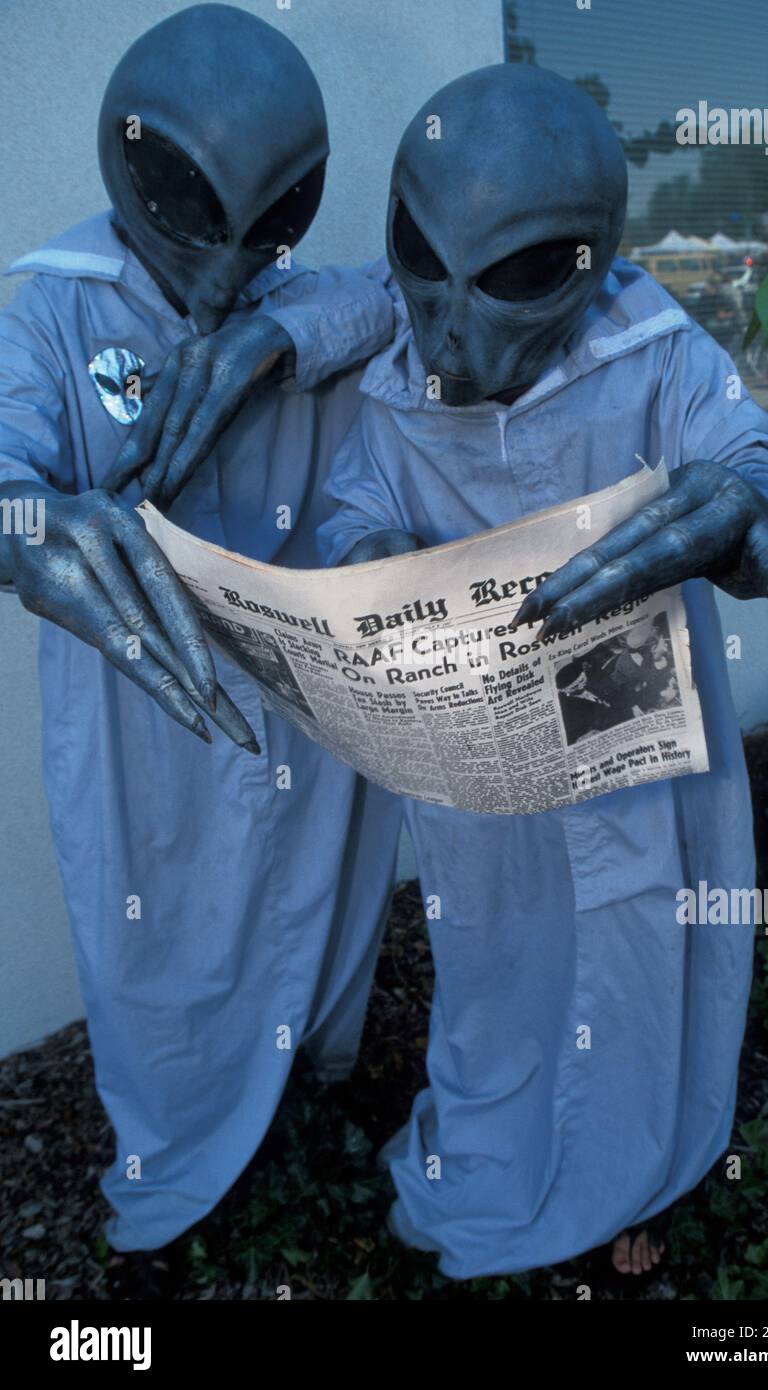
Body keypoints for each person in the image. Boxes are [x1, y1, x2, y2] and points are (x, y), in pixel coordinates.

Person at [318, 63, 768, 1280]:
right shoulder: (393, 380)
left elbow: (748, 456)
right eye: (422, 265)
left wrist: (754, 510)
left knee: (644, 940)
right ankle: (498, 1133)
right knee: (495, 954)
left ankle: (635, 1155)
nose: (446, 332)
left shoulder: (650, 353)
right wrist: (378, 564)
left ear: (586, 264)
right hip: (480, 758)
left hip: (629, 736)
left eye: (510, 279)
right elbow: (354, 502)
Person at [0, 5, 402, 1295]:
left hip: (300, 692)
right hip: (147, 713)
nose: (228, 274)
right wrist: (31, 524)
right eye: (198, 231)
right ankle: (175, 1166)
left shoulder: (298, 305)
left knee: (322, 895)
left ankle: (308, 1090)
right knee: (160, 935)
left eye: (265, 233)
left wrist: (269, 339)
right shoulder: (47, 310)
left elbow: (407, 301)